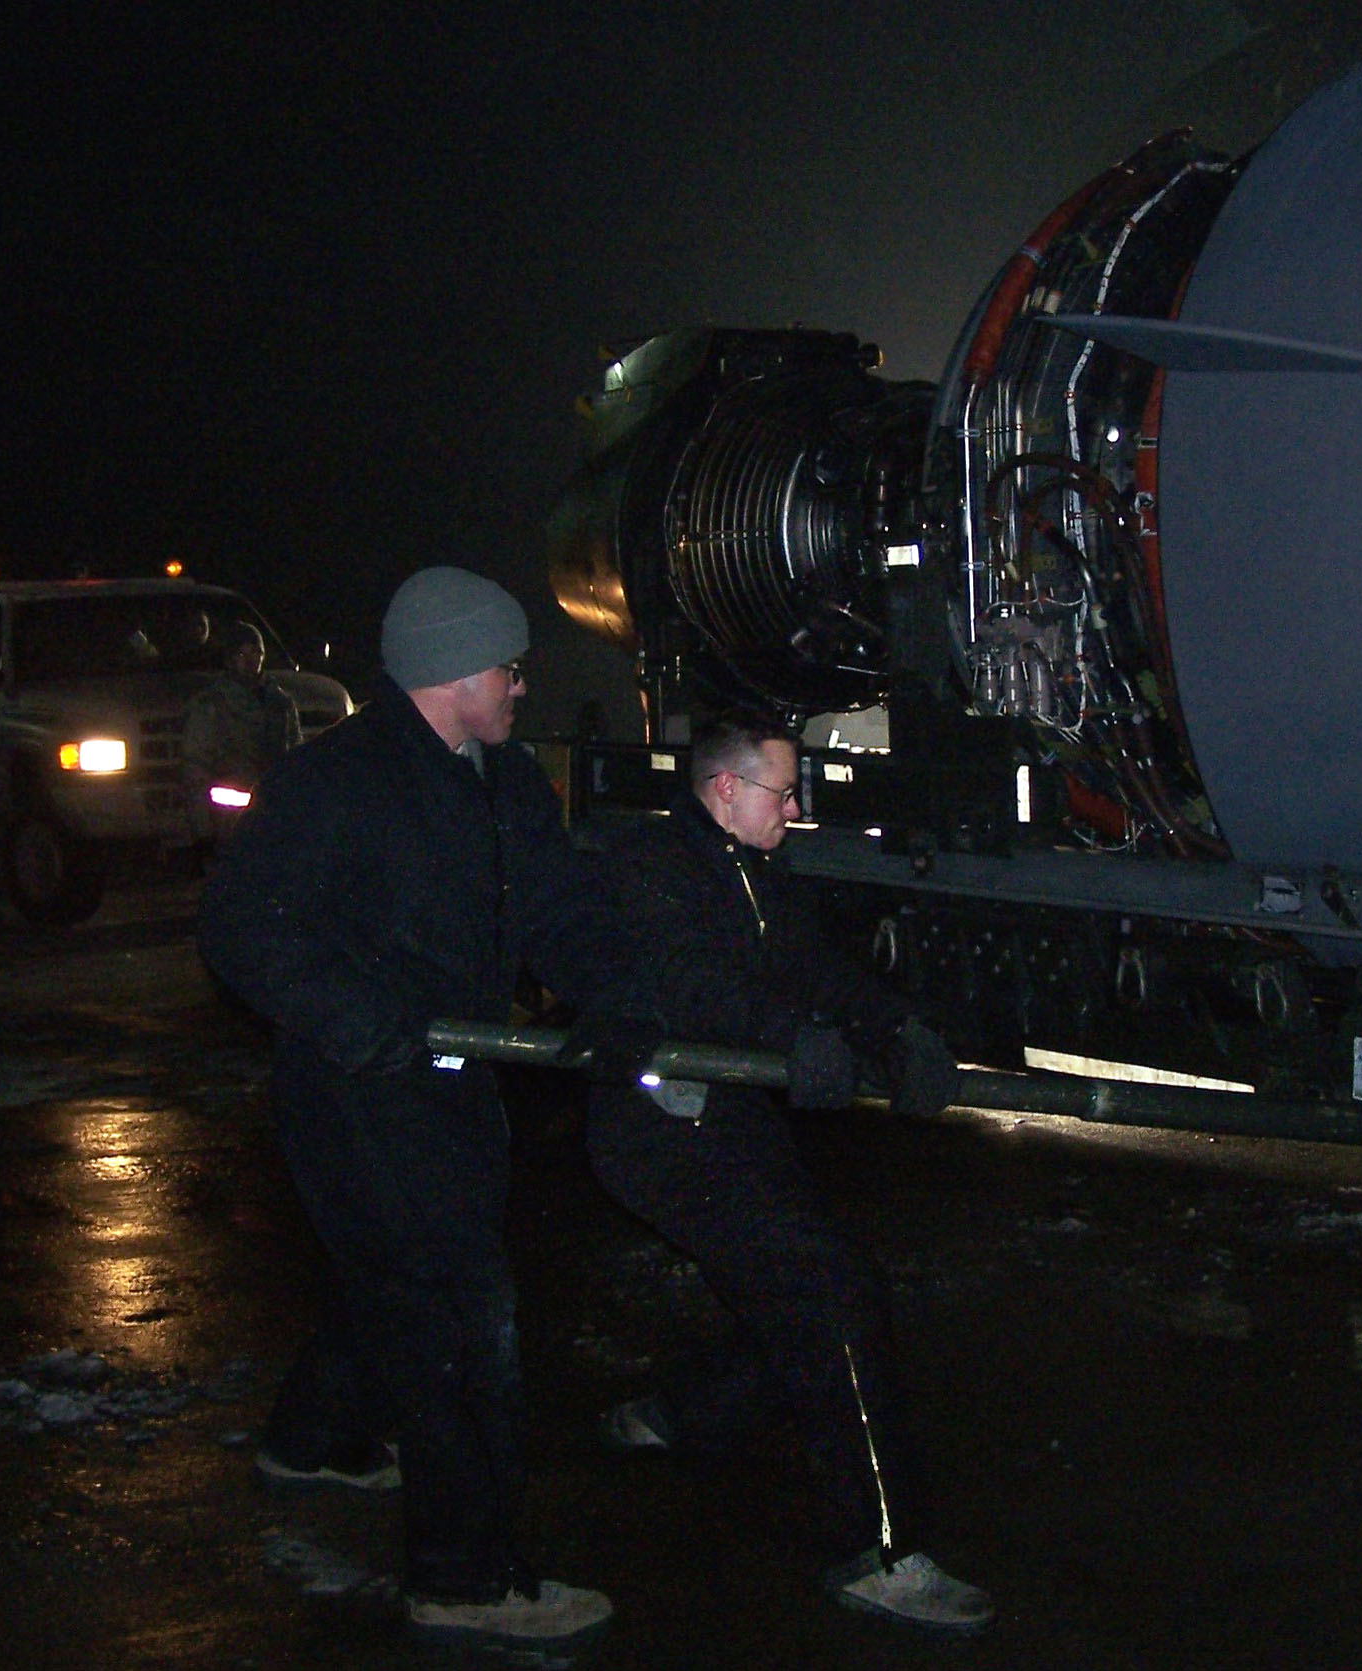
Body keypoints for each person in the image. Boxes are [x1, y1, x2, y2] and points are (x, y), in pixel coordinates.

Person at [197, 566, 625, 1646]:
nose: (522, 688)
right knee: (454, 1319)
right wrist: (359, 1022)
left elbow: (557, 907)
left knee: (389, 1285)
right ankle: (464, 1579)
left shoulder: (503, 780)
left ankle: (312, 1437)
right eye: (509, 668)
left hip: (458, 1086)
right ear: (452, 672)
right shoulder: (333, 785)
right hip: (357, 1095)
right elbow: (246, 931)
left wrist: (613, 1000)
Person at [584, 716, 991, 1635]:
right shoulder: (652, 866)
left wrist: (899, 1028)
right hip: (661, 1128)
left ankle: (681, 1413)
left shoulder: (759, 871)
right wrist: (788, 1039)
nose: (796, 808)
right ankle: (880, 1550)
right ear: (724, 790)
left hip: (729, 1124)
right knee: (823, 1291)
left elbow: (815, 972)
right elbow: (687, 982)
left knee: (824, 1289)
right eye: (782, 791)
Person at [181, 620, 301, 843]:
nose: (250, 661)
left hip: (275, 811)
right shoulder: (211, 704)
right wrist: (203, 829)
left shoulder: (281, 703)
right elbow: (195, 767)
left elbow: (295, 757)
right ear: (229, 659)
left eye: (255, 653)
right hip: (228, 818)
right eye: (241, 654)